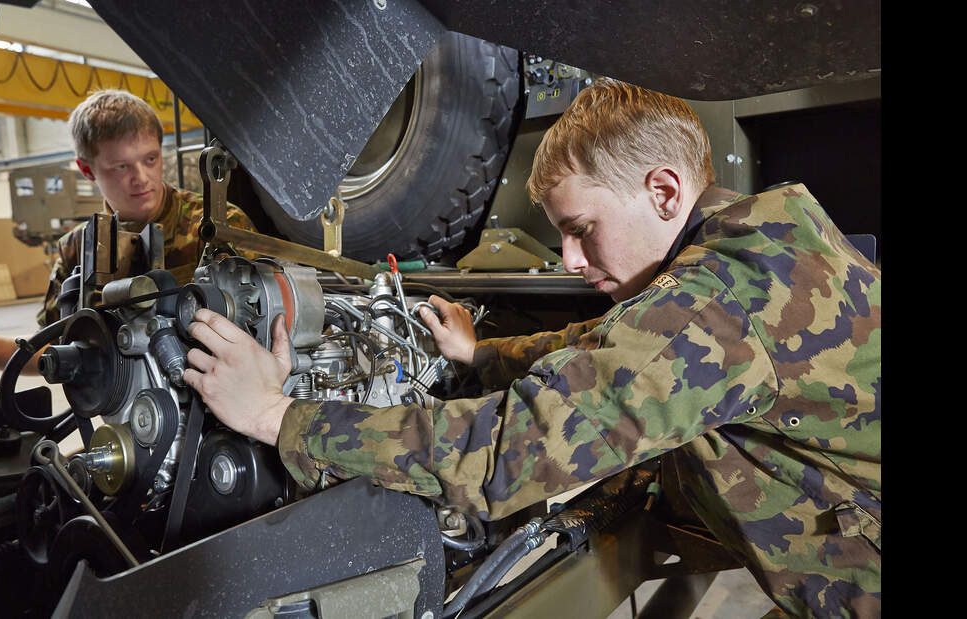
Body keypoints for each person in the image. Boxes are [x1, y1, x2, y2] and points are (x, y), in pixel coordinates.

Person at [182, 79, 881, 618]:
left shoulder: (716, 305)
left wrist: (278, 415)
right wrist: (481, 355)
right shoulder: (752, 243)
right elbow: (603, 344)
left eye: (581, 228)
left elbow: (508, 453)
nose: (571, 259)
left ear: (663, 190)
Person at [0, 89, 257, 373]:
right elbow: (53, 351)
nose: (141, 178)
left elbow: (271, 324)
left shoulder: (216, 227)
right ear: (87, 170)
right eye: (121, 167)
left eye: (150, 159)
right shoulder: (79, 249)